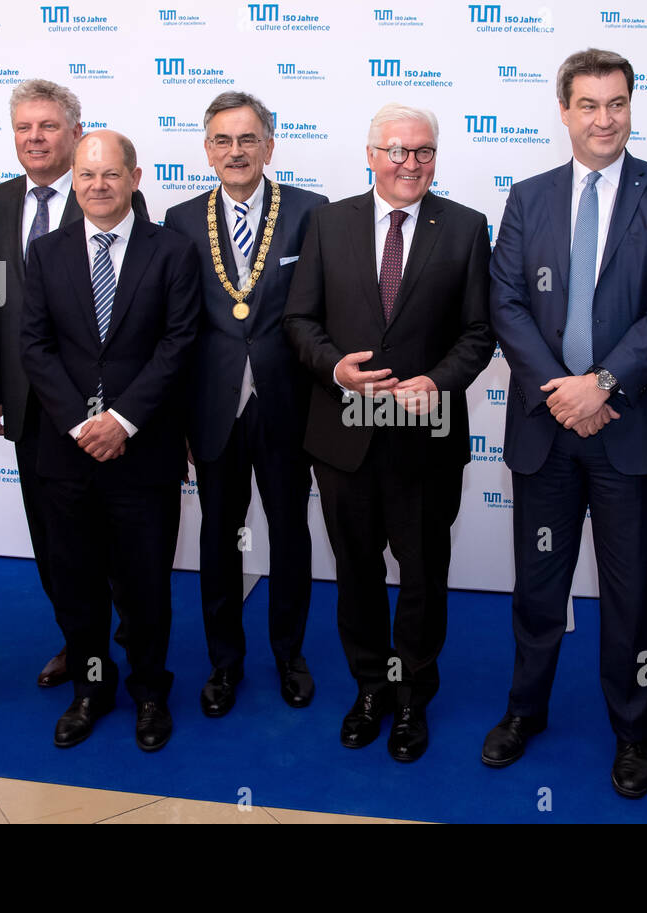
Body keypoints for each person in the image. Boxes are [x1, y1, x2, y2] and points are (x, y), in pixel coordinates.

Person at [483, 48, 647, 798]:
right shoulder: (528, 197)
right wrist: (560, 391)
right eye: (589, 104)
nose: (603, 118)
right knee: (538, 586)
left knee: (629, 593)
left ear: (631, 107)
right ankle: (525, 711)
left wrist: (603, 384)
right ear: (565, 110)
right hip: (548, 429)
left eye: (617, 103)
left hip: (629, 428)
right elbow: (506, 304)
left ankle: (634, 733)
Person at [283, 103, 493, 762]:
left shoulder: (464, 227)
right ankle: (370, 687)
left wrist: (436, 381)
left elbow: (479, 332)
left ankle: (410, 699)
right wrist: (334, 367)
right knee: (357, 573)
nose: (409, 163)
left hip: (424, 434)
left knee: (424, 576)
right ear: (370, 155)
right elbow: (299, 320)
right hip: (345, 433)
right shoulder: (325, 222)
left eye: (423, 151)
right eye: (396, 150)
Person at [20, 130, 201, 751]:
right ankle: (92, 690)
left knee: (147, 584)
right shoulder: (44, 254)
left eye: (111, 174)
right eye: (86, 175)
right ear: (74, 179)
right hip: (66, 453)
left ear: (135, 177)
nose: (98, 185)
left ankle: (151, 693)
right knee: (77, 584)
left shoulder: (173, 252)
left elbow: (179, 345)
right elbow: (35, 347)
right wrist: (82, 423)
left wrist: (121, 421)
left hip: (143, 451)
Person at [0, 79, 150, 690]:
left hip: (110, 412)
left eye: (48, 126)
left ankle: (131, 639)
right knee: (57, 543)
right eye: (24, 127)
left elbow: (138, 315)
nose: (35, 138)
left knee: (124, 544)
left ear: (75, 134)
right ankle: (78, 645)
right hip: (32, 408)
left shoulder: (108, 194)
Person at [163, 92, 327, 717]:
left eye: (248, 139)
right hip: (212, 409)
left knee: (290, 533)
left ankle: (290, 654)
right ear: (207, 149)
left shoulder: (312, 214)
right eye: (223, 141)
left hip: (288, 406)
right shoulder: (178, 220)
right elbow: (173, 329)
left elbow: (320, 313)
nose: (236, 152)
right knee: (219, 538)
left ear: (269, 145)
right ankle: (223, 663)